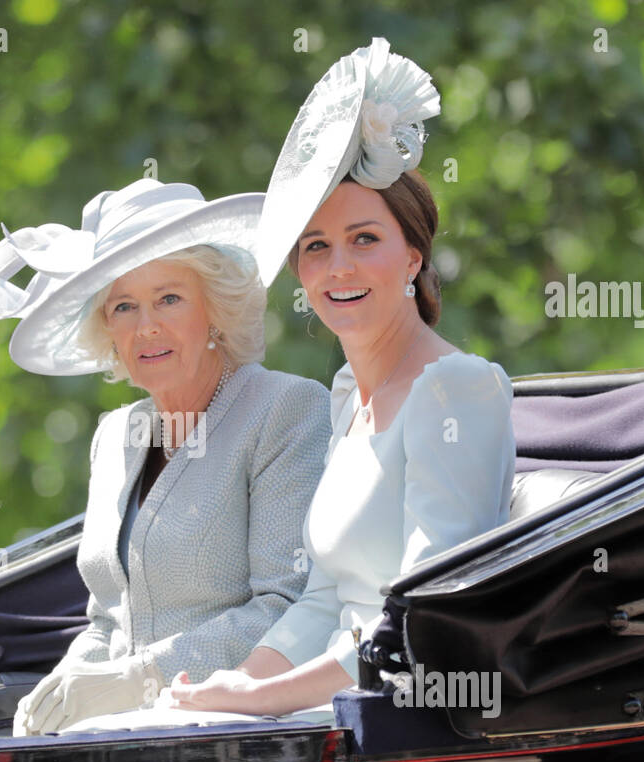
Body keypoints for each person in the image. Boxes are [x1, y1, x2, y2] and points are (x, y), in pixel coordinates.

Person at [169, 39, 516, 717]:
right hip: (332, 696)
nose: (338, 269)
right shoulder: (349, 399)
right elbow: (323, 599)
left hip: (406, 712)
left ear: (412, 257)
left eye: (365, 240)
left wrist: (270, 698)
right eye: (316, 249)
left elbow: (420, 622)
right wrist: (241, 683)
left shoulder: (456, 388)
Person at [0, 178, 331, 734]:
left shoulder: (285, 409)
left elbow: (286, 608)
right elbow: (106, 620)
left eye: (169, 298)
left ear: (215, 308)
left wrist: (137, 680)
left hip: (235, 735)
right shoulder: (116, 436)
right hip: (118, 739)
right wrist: (58, 691)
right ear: (106, 329)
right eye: (124, 306)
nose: (146, 327)